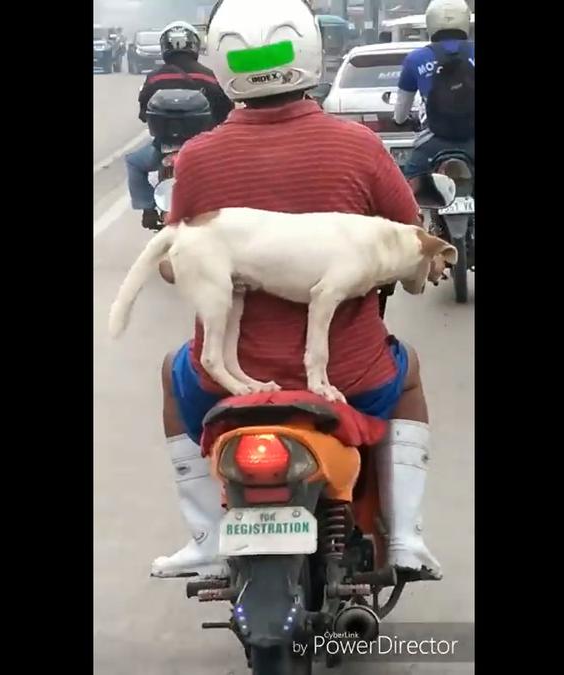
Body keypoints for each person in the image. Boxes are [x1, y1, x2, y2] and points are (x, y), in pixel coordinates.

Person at [148, 0, 443, 581]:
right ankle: (407, 537)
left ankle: (205, 540)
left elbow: (178, 259)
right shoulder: (360, 147)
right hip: (351, 375)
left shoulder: (198, 156)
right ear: (309, 52)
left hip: (226, 382)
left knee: (170, 372)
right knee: (408, 375)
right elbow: (412, 238)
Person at [124, 21, 233, 230]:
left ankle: (147, 207)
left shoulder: (154, 77)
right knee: (229, 169)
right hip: (204, 146)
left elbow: (143, 112)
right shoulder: (209, 76)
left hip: (162, 146)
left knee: (134, 163)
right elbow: (225, 111)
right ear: (194, 45)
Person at [393, 0, 475, 177]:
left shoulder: (415, 59)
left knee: (410, 181)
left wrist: (400, 121)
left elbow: (401, 112)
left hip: (432, 143)